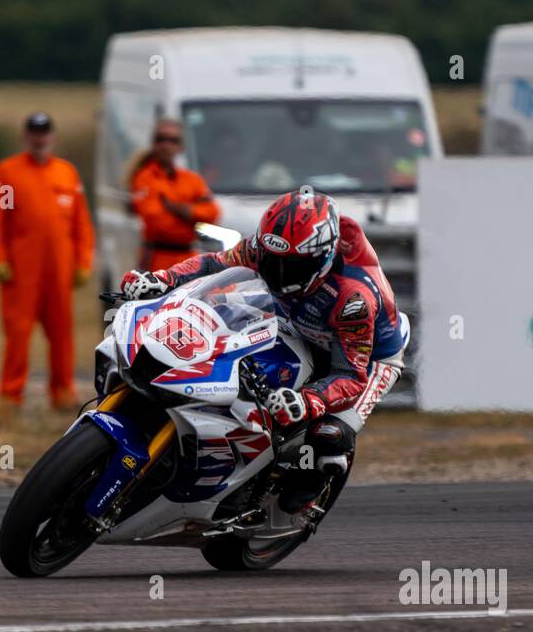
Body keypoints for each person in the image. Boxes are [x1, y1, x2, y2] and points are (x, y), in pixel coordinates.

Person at [121, 190, 409, 515]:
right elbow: (214, 263)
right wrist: (163, 279)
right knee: (236, 356)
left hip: (367, 357)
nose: (277, 272)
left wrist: (307, 401)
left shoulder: (353, 298)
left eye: (291, 267)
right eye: (272, 261)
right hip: (297, 319)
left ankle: (313, 482)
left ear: (322, 259)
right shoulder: (268, 248)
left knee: (329, 433)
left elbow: (349, 376)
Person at [0, 112, 94, 410]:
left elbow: (81, 224)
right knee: (18, 334)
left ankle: (63, 391)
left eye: (44, 132)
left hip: (59, 269)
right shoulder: (8, 173)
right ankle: (10, 395)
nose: (39, 138)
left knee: (62, 333)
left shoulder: (66, 173)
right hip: (22, 270)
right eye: (34, 132)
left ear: (52, 137)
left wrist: (83, 262)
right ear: (25, 137)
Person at [129, 118, 220, 271]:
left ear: (180, 147)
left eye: (173, 140)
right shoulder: (144, 178)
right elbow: (156, 220)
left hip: (188, 257)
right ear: (154, 143)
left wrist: (184, 210)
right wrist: (190, 220)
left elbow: (212, 212)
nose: (166, 145)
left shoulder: (191, 179)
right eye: (161, 139)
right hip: (157, 258)